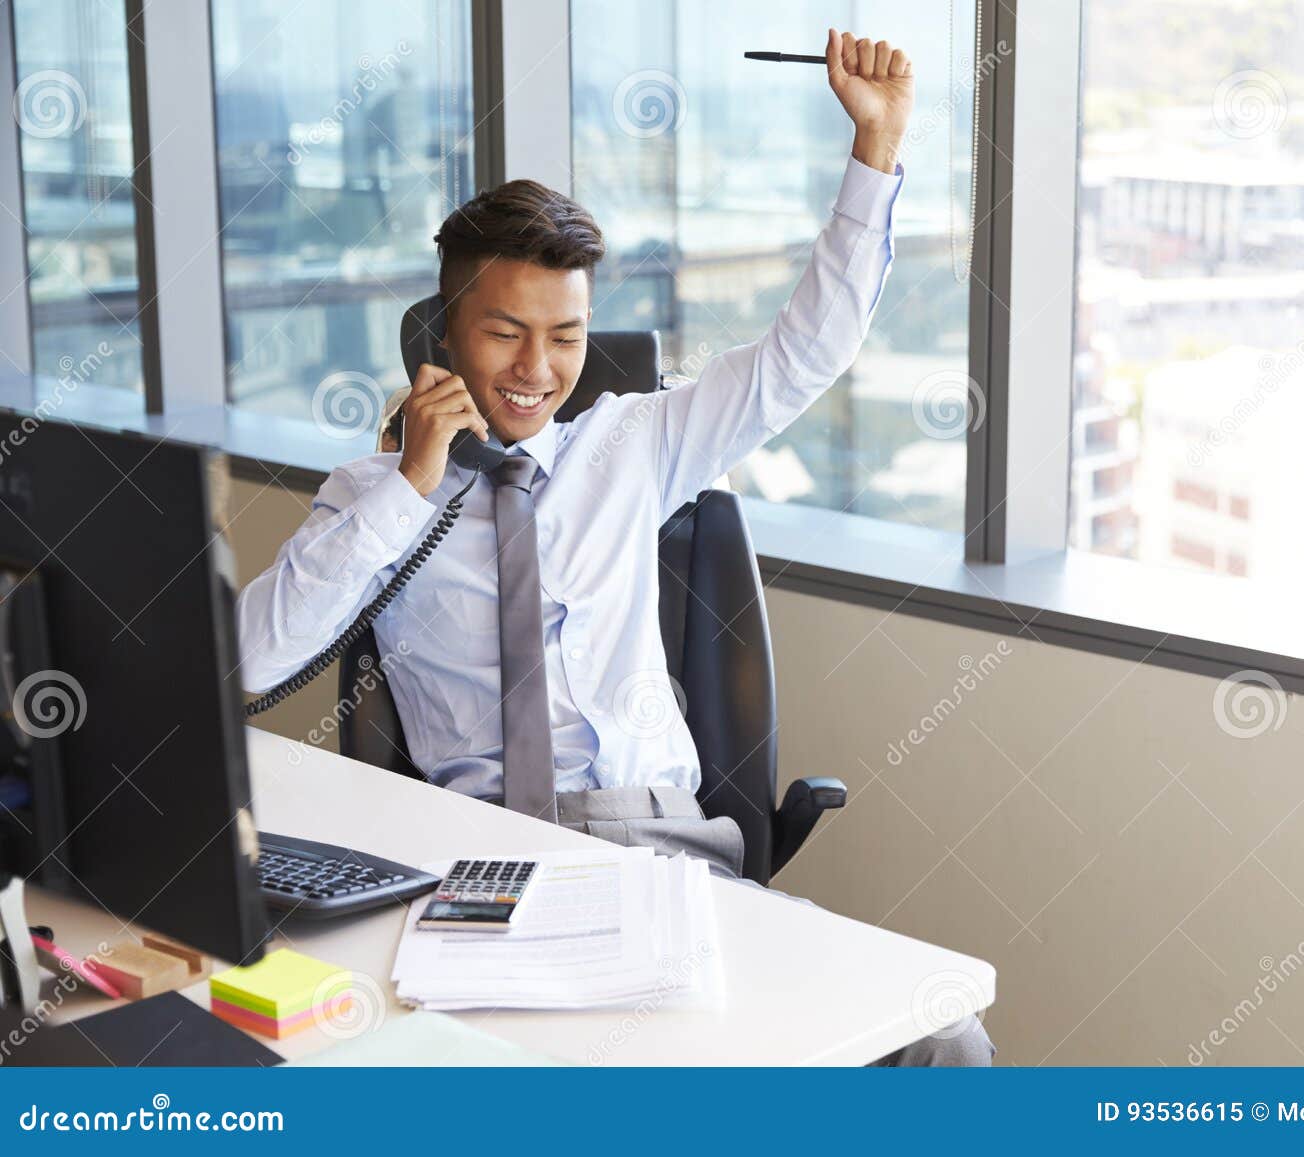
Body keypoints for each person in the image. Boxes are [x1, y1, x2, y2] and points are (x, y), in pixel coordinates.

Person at [237, 30, 992, 1066]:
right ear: (442, 332)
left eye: (565, 335)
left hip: (655, 849)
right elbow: (242, 665)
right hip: (480, 866)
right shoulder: (376, 499)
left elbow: (803, 353)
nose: (538, 369)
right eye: (505, 332)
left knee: (943, 1033)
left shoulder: (634, 444)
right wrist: (409, 487)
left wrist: (876, 148)